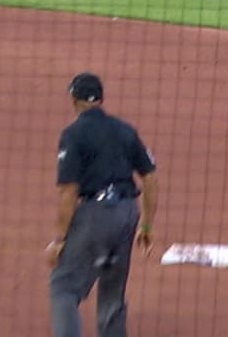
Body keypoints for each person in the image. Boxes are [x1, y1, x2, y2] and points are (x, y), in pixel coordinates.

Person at [47, 72, 159, 337]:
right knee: (111, 291)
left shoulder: (73, 135)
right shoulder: (125, 130)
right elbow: (151, 178)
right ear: (100, 100)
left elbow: (68, 191)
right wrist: (147, 224)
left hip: (95, 216)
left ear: (74, 100)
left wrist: (59, 240)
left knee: (64, 287)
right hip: (127, 215)